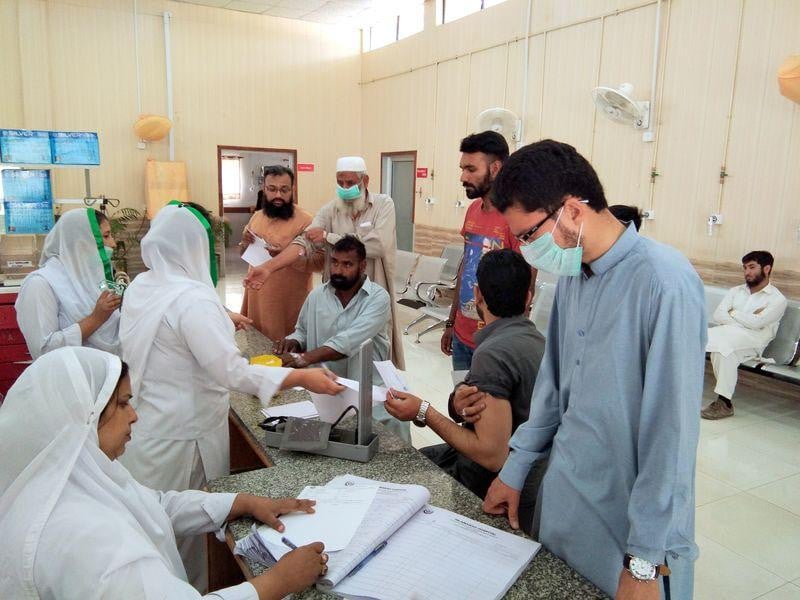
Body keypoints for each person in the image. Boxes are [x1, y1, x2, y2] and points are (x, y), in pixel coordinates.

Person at [460, 140, 706, 599]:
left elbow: (670, 436)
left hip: (629, 523)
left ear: (572, 211)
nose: (526, 251)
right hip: (567, 499)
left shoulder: (663, 283)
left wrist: (645, 561)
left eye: (529, 237)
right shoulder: (574, 276)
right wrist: (515, 470)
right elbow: (553, 393)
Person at [119, 201, 343, 590]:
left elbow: (173, 330)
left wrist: (221, 318)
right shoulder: (192, 300)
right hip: (185, 439)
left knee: (157, 536)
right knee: (189, 543)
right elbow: (232, 372)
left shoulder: (145, 284)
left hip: (149, 429)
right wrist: (302, 378)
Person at [0, 346, 328, 600]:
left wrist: (241, 502)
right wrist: (278, 582)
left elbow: (153, 505)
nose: (134, 416)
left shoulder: (71, 479)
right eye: (124, 404)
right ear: (86, 418)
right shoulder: (88, 538)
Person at [385, 249, 545, 526]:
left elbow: (491, 455)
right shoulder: (537, 342)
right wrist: (455, 404)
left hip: (496, 488)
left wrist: (423, 411)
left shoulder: (494, 354)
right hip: (537, 478)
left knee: (395, 479)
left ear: (477, 294)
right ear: (529, 296)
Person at [244, 156, 405, 369]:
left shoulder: (383, 205)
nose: (345, 188)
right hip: (337, 291)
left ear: (365, 180)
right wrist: (267, 268)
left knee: (367, 351)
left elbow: (377, 246)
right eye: (340, 183)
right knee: (332, 346)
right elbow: (305, 241)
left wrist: (329, 237)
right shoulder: (330, 209)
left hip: (370, 289)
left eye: (350, 183)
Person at [273, 236, 408, 441]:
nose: (338, 270)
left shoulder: (378, 298)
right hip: (326, 388)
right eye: (334, 262)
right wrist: (294, 341)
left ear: (362, 266)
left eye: (347, 264)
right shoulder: (317, 296)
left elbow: (349, 341)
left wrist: (304, 358)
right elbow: (302, 331)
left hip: (370, 392)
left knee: (387, 444)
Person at [441, 131, 534, 371]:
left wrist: (507, 343)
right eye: (462, 168)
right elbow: (465, 269)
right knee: (460, 406)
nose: (463, 177)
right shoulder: (473, 210)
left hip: (496, 341)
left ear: (495, 168)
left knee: (489, 408)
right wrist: (451, 322)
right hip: (463, 336)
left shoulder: (518, 216)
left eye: (471, 169)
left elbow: (526, 286)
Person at [16, 207, 122, 359]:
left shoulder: (91, 279)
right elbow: (44, 351)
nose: (113, 244)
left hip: (109, 372)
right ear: (80, 242)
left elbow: (114, 328)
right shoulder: (40, 284)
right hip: (70, 378)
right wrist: (96, 318)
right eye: (106, 236)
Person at [238, 166, 324, 340]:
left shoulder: (307, 221)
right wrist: (244, 243)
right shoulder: (257, 217)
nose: (278, 195)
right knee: (258, 347)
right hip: (257, 296)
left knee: (287, 350)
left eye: (284, 190)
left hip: (288, 302)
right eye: (272, 189)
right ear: (264, 190)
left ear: (292, 190)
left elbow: (320, 262)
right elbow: (243, 252)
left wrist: (286, 256)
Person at [701, 251, 787, 420]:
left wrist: (732, 313)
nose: (747, 272)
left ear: (767, 268)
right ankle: (724, 403)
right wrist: (746, 319)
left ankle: (724, 403)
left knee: (722, 346)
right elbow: (718, 315)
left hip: (755, 341)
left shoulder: (777, 299)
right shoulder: (736, 291)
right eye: (745, 267)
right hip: (728, 335)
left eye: (752, 267)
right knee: (719, 348)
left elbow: (757, 324)